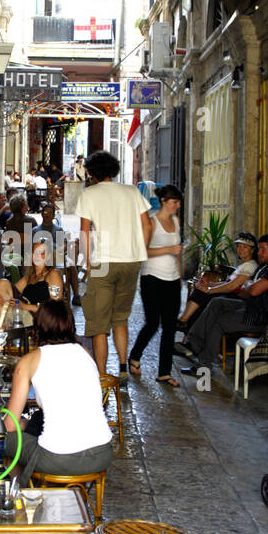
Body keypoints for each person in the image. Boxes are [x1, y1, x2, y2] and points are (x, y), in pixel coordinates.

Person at [5, 299, 113, 486]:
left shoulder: (30, 361)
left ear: (38, 326)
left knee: (3, 438)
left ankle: (18, 498)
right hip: (102, 453)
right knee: (35, 424)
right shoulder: (85, 353)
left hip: (58, 458)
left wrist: (20, 424)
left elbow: (9, 425)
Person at [76, 149, 152, 381]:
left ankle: (101, 376)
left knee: (98, 324)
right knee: (120, 318)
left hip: (103, 262)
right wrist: (140, 251)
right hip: (131, 261)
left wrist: (88, 263)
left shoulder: (89, 194)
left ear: (92, 173)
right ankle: (121, 368)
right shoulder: (131, 191)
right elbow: (147, 226)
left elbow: (85, 232)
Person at [180, 233, 268, 376]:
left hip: (258, 316)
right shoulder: (264, 267)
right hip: (248, 305)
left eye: (263, 249)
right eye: (259, 249)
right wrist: (248, 286)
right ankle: (194, 342)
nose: (259, 253)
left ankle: (203, 366)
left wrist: (248, 285)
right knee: (217, 302)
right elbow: (244, 290)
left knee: (219, 322)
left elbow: (253, 290)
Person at [128, 185, 183, 386]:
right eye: (174, 202)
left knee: (170, 327)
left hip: (172, 278)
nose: (177, 206)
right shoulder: (151, 221)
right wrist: (168, 248)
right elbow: (142, 251)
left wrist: (180, 277)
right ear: (164, 201)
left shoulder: (176, 222)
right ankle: (134, 356)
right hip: (151, 277)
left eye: (178, 202)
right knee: (153, 323)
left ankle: (164, 372)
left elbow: (178, 253)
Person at [177, 232, 259, 333]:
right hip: (230, 294)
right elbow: (227, 283)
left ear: (252, 250)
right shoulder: (243, 265)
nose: (241, 249)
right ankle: (185, 324)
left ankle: (184, 322)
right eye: (239, 246)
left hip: (235, 298)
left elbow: (232, 286)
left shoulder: (250, 265)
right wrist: (209, 284)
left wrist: (209, 290)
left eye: (245, 247)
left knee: (203, 296)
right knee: (200, 290)